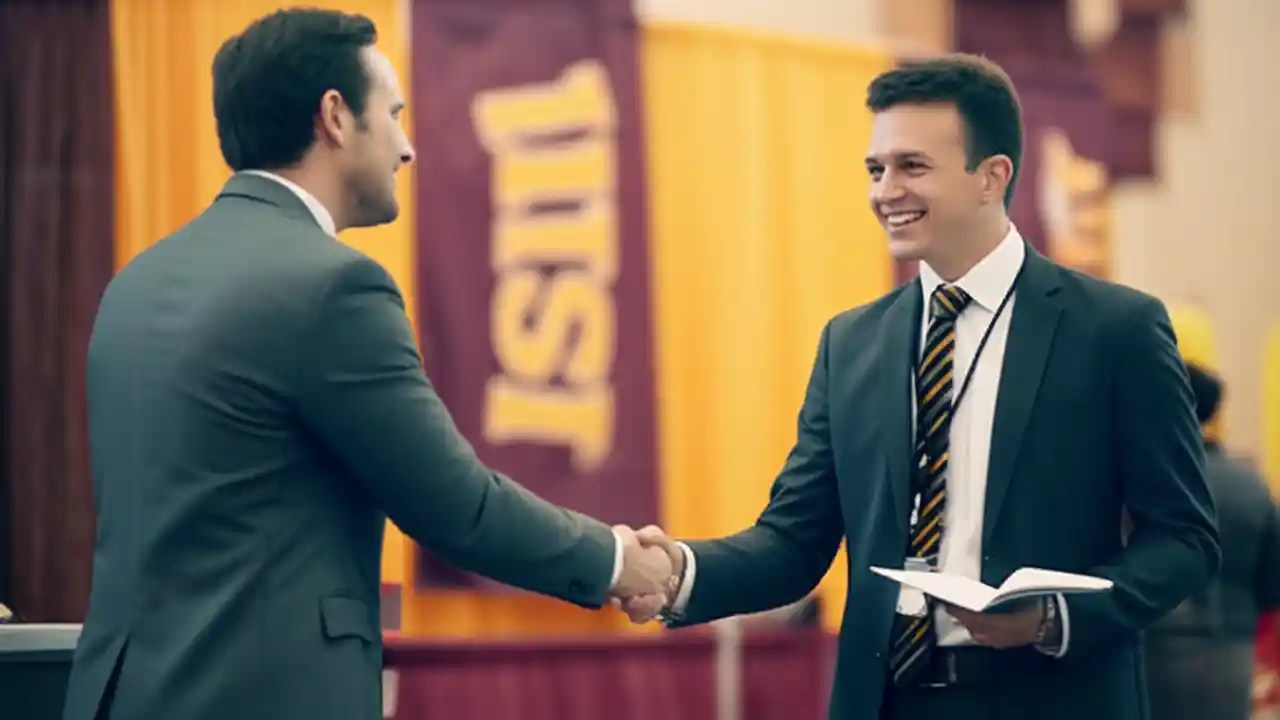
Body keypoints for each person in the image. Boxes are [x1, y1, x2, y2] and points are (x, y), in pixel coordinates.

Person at [61, 9, 672, 720]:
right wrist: (618, 561)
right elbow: (455, 506)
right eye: (395, 113)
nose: (407, 148)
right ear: (335, 117)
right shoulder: (332, 287)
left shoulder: (135, 281)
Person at [622, 54, 1220, 720]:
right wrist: (678, 571)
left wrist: (1052, 617)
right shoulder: (850, 344)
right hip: (884, 702)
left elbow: (1185, 540)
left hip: (1053, 697)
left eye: (912, 167)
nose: (885, 192)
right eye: (876, 170)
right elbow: (794, 542)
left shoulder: (1115, 329)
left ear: (992, 177)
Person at [1144, 363, 1280, 720]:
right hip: (1230, 657)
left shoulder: (1149, 480)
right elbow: (1271, 584)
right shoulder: (1251, 486)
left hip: (1154, 654)